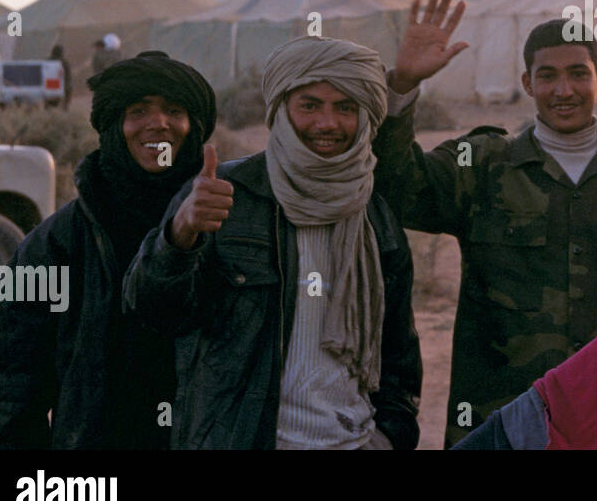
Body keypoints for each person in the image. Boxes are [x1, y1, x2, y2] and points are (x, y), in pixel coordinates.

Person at [381, 0, 597, 446]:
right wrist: (402, 87)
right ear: (527, 83)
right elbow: (399, 189)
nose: (563, 91)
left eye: (577, 74)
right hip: (501, 425)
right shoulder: (484, 165)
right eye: (547, 76)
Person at [123, 36, 422, 450]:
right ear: (281, 110)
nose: (327, 124)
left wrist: (389, 437)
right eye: (310, 105)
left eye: (346, 107)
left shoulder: (374, 213)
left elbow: (399, 358)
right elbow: (154, 313)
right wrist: (180, 235)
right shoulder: (223, 195)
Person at [0, 50, 216, 448]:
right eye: (138, 111)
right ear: (113, 125)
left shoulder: (232, 228)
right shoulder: (58, 241)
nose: (158, 124)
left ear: (194, 125)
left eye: (174, 110)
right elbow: (11, 370)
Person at [48, 43, 71, 109]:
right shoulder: (64, 62)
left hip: (49, 84)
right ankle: (65, 106)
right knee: (69, 87)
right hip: (60, 85)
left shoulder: (47, 61)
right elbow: (68, 77)